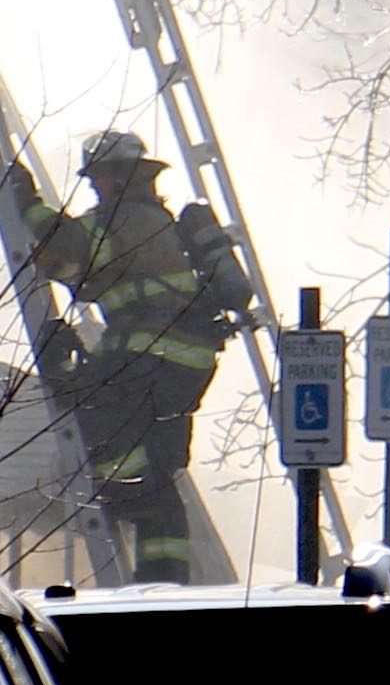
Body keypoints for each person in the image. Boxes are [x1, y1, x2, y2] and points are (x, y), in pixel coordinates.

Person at [24, 126, 238, 579]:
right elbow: (79, 273)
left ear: (117, 177)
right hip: (187, 365)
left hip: (147, 356)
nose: (96, 187)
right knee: (160, 477)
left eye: (98, 177)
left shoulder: (117, 222)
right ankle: (164, 576)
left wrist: (25, 203)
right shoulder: (162, 224)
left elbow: (61, 248)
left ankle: (128, 493)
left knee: (84, 407)